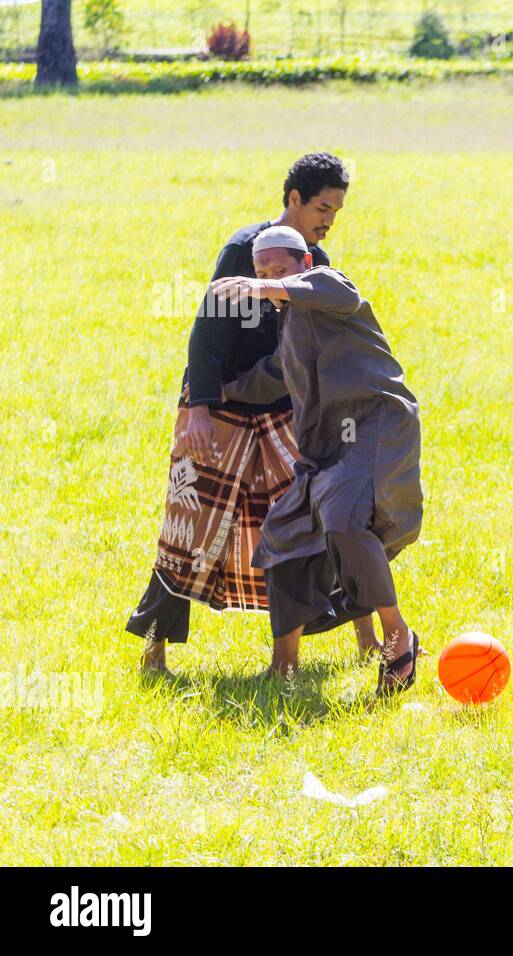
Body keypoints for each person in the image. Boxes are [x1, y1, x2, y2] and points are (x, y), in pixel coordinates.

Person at [125, 153, 382, 675]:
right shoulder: (242, 250)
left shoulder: (317, 263)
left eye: (336, 210)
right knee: (189, 527)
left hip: (284, 407)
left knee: (319, 517)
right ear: (294, 200)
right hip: (217, 403)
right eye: (322, 207)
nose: (329, 219)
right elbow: (207, 333)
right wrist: (200, 410)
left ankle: (366, 639)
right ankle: (153, 652)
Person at [216, 227, 423, 695]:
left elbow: (326, 287)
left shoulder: (330, 287)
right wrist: (217, 391)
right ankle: (283, 665)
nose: (268, 280)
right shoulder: (289, 330)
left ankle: (397, 638)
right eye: (261, 272)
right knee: (283, 535)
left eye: (279, 270)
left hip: (374, 426)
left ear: (304, 264)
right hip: (323, 451)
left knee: (344, 519)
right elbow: (272, 376)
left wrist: (266, 288)